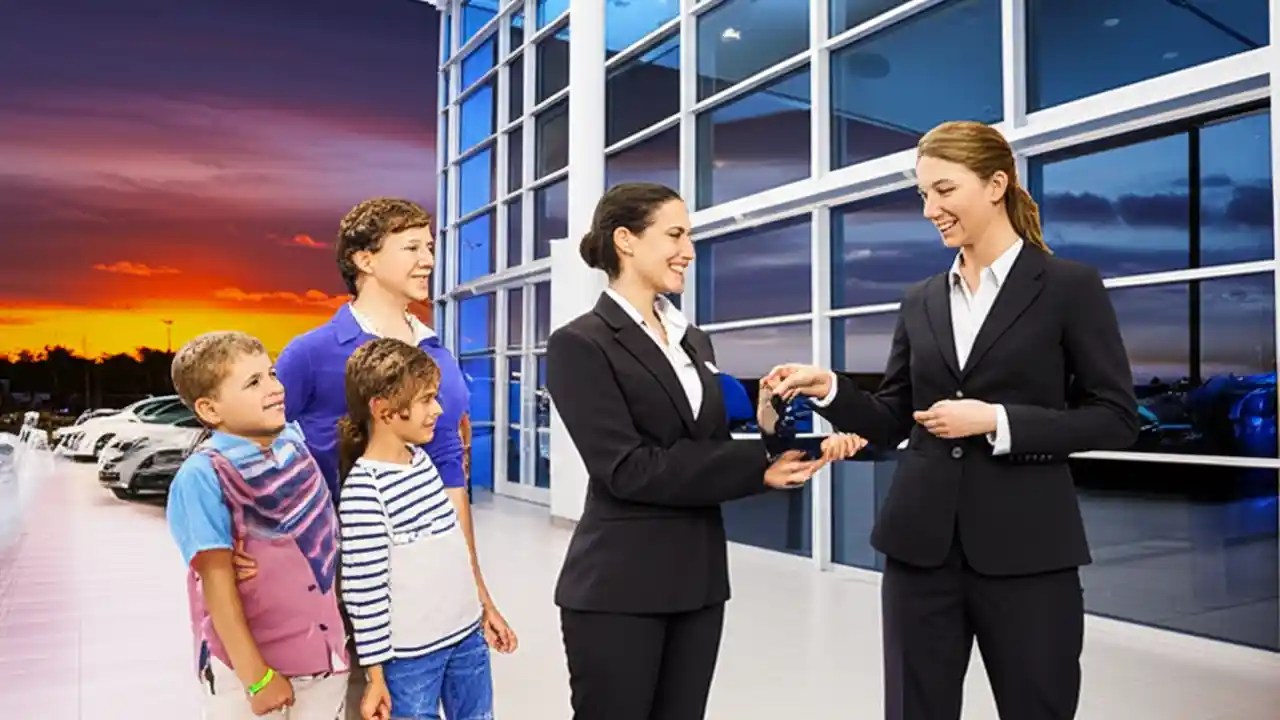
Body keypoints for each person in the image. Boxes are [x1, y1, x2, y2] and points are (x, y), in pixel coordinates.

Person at [766, 121, 1140, 720]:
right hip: (920, 550)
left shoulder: (1069, 287)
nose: (929, 210)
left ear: (996, 184)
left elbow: (1116, 418)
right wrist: (831, 387)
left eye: (943, 190)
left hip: (1029, 552)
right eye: (922, 195)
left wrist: (995, 420)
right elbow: (892, 419)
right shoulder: (921, 299)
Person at [545, 182, 866, 720]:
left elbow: (708, 446)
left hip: (698, 580)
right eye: (675, 234)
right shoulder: (581, 344)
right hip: (620, 588)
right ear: (625, 240)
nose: (688, 250)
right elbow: (626, 469)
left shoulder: (693, 340)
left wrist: (774, 430)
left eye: (689, 236)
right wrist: (757, 469)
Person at [273, 198, 516, 717]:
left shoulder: (437, 356)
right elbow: (244, 441)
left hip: (435, 592)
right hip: (350, 583)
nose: (428, 259)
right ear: (364, 259)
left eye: (430, 247)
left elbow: (454, 480)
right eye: (412, 247)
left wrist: (476, 592)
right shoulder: (311, 353)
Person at [166, 331, 349, 719]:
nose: (274, 388)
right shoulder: (203, 474)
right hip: (252, 675)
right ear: (210, 409)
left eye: (271, 374)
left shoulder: (294, 446)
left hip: (321, 659)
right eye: (253, 382)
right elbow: (216, 586)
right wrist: (257, 678)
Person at [337, 338, 495, 720]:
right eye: (426, 399)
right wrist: (375, 676)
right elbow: (364, 592)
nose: (438, 410)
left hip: (466, 640)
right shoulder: (364, 491)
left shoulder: (422, 463)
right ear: (383, 410)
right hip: (410, 661)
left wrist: (483, 610)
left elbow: (453, 553)